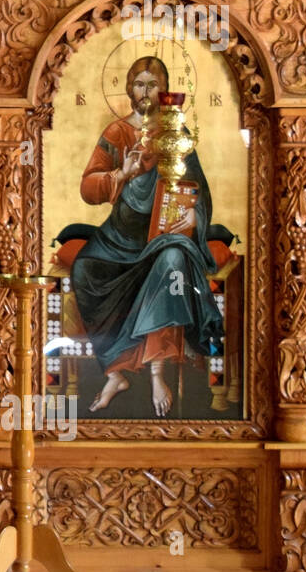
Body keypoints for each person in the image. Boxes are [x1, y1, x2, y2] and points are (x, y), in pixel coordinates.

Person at [70, 56, 223, 417]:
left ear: (164, 90)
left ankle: (157, 372)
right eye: (139, 83)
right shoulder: (116, 133)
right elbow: (89, 189)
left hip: (164, 235)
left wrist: (191, 214)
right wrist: (121, 174)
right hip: (119, 237)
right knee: (84, 270)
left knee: (170, 264)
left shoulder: (176, 135)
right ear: (128, 88)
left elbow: (198, 191)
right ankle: (116, 372)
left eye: (152, 84)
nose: (145, 92)